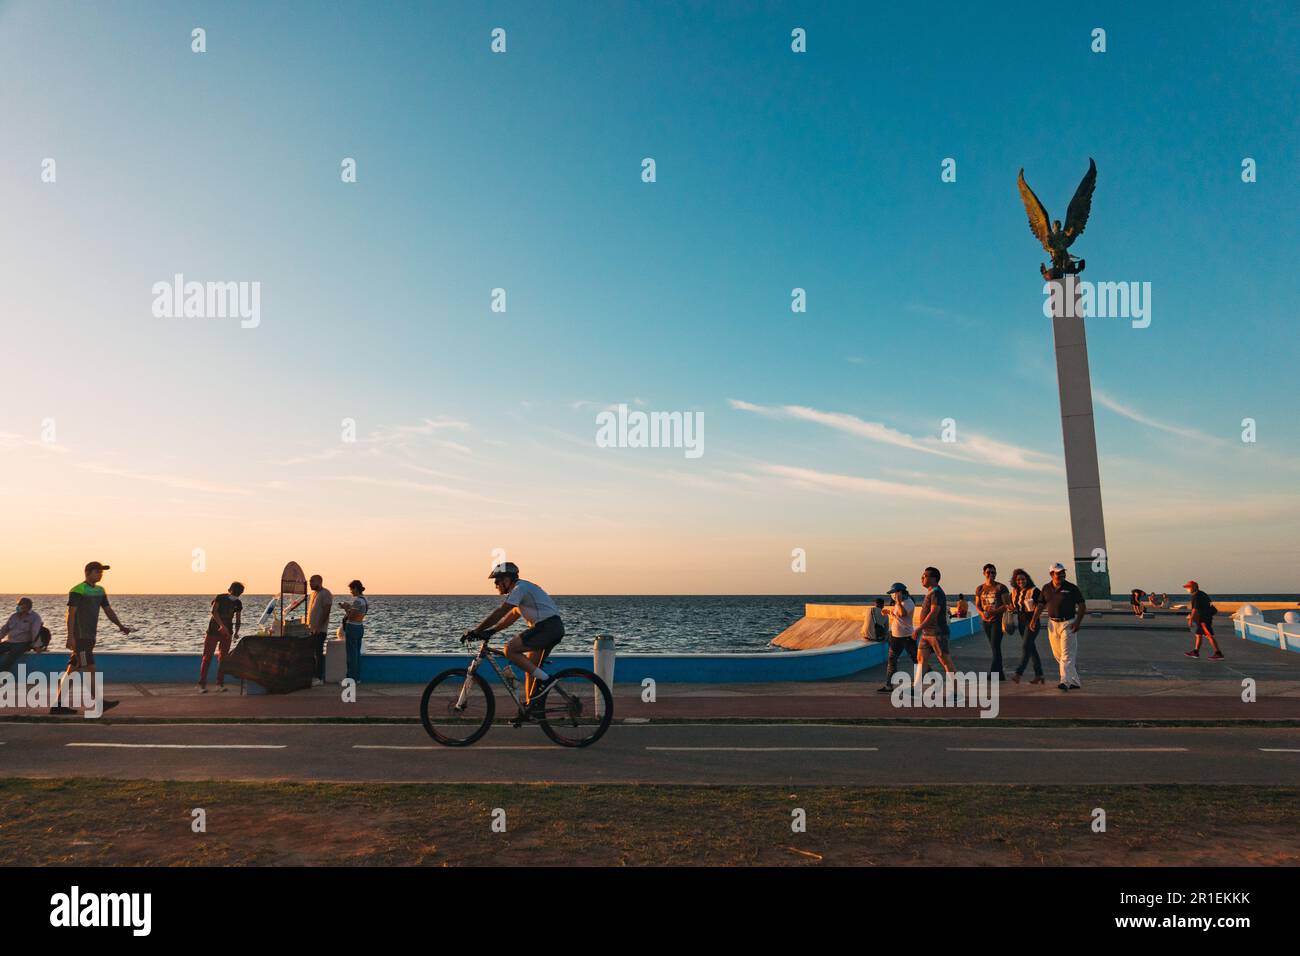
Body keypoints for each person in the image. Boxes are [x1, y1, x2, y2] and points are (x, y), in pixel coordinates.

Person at [466, 562, 564, 716]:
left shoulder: (520, 588)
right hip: (552, 628)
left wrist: (477, 630)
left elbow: (502, 611)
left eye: (497, 581)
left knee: (510, 649)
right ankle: (531, 709)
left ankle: (547, 680)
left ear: (506, 579)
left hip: (546, 627)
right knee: (531, 669)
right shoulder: (521, 591)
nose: (496, 585)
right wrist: (491, 631)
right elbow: (511, 616)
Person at [51, 561, 133, 715]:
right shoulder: (77, 590)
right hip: (80, 638)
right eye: (97, 572)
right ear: (87, 572)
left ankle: (57, 705)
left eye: (101, 572)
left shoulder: (100, 591)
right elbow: (71, 614)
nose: (100, 574)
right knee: (90, 669)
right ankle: (99, 704)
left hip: (90, 637)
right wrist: (70, 637)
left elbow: (108, 610)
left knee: (72, 671)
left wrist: (120, 626)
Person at [1040, 562, 1085, 691]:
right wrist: (1033, 619)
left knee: (1066, 654)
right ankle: (1075, 681)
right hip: (1053, 624)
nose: (1061, 575)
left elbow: (1082, 606)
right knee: (1058, 655)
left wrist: (1077, 622)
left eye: (1063, 572)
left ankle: (1064, 681)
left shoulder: (1072, 588)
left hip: (1068, 623)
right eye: (1058, 573)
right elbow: (1040, 604)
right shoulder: (1046, 588)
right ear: (1051, 574)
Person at [913, 566, 956, 687]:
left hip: (937, 633)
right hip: (927, 634)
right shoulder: (931, 592)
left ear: (934, 578)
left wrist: (919, 628)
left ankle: (956, 692)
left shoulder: (937, 593)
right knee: (921, 659)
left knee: (945, 661)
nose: (922, 577)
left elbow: (933, 613)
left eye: (925, 576)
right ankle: (916, 688)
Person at [198, 582, 243, 693]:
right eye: (235, 591)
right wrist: (221, 626)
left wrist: (236, 632)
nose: (236, 594)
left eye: (239, 593)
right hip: (213, 631)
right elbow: (214, 611)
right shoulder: (220, 598)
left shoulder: (238, 603)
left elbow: (238, 619)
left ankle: (219, 684)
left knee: (223, 658)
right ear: (230, 590)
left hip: (227, 634)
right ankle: (201, 685)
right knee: (207, 657)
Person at [288, 574, 333, 686]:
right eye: (310, 582)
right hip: (310, 630)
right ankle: (312, 675)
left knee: (318, 653)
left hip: (320, 630)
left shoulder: (326, 593)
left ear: (319, 581)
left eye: (312, 581)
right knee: (311, 653)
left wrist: (319, 627)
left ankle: (319, 677)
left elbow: (326, 612)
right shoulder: (313, 594)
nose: (310, 584)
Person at [876, 583, 916, 693]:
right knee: (892, 661)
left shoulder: (908, 603)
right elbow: (897, 615)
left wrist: (898, 602)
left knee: (917, 660)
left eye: (894, 593)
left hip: (907, 637)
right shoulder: (899, 603)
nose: (892, 596)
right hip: (895, 637)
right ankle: (889, 685)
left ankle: (932, 680)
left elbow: (903, 614)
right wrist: (888, 612)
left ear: (900, 592)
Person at [974, 563, 1011, 681]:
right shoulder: (980, 588)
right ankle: (1000, 674)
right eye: (988, 572)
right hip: (986, 621)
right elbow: (978, 605)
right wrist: (982, 614)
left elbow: (1007, 605)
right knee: (995, 647)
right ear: (984, 573)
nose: (991, 574)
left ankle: (993, 674)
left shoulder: (1001, 587)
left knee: (995, 646)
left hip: (997, 621)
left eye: (993, 572)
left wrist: (993, 612)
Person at [1009, 569, 1045, 684]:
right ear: (1015, 581)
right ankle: (1039, 674)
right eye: (1018, 580)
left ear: (1027, 579)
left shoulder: (1034, 591)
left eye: (1023, 579)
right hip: (1021, 623)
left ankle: (1018, 673)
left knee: (1025, 646)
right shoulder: (1014, 592)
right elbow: (1013, 606)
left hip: (1032, 622)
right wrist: (1010, 608)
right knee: (1031, 649)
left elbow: (1042, 604)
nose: (1021, 581)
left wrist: (1034, 618)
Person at [0, 598, 47, 675]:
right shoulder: (14, 616)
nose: (18, 606)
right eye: (18, 604)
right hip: (10, 641)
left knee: (10, 658)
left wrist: (37, 646)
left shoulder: (35, 617)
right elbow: (5, 629)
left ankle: (2, 675)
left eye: (20, 604)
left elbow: (35, 632)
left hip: (23, 643)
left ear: (27, 606)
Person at [1183, 580, 1224, 660]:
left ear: (1194, 587)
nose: (1187, 589)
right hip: (1203, 619)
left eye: (1188, 587)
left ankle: (1218, 653)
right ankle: (1195, 652)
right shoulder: (1202, 594)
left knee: (1208, 635)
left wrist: (1190, 619)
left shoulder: (1196, 596)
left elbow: (1195, 608)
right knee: (1198, 635)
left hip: (1203, 620)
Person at [339, 579, 369, 682]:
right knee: (357, 654)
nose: (350, 592)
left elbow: (350, 616)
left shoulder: (357, 601)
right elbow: (360, 613)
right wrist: (350, 607)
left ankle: (350, 679)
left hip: (352, 628)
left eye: (351, 589)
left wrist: (345, 608)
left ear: (355, 588)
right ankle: (357, 678)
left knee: (351, 655)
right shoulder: (365, 600)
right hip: (360, 627)